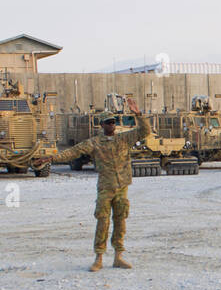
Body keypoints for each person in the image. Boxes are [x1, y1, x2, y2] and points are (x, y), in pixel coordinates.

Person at [47, 98, 151, 271]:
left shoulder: (124, 139)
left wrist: (138, 114)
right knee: (102, 222)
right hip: (105, 187)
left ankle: (118, 256)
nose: (112, 125)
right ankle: (99, 257)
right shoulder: (95, 143)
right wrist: (52, 158)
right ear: (102, 125)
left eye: (113, 122)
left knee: (120, 222)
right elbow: (74, 152)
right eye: (108, 123)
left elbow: (145, 131)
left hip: (122, 187)